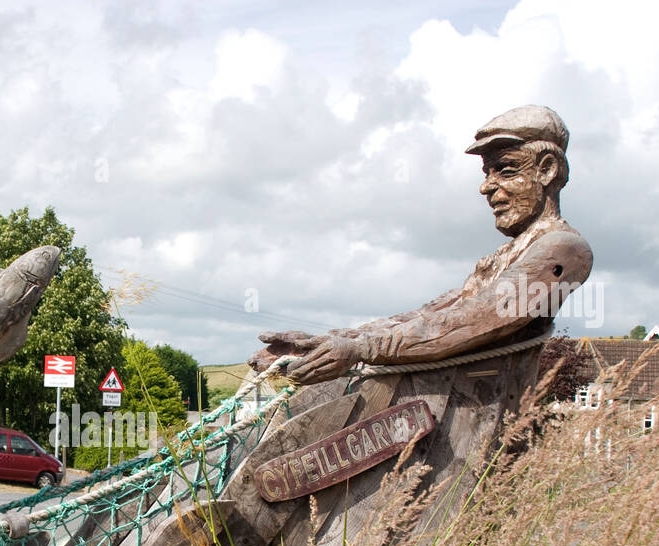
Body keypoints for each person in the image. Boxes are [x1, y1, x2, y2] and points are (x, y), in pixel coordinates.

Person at [249, 105, 593, 383]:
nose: (486, 188)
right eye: (487, 173)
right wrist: (326, 342)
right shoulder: (509, 254)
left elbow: (474, 319)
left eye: (504, 170)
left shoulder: (563, 250)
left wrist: (361, 349)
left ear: (547, 170)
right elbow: (431, 314)